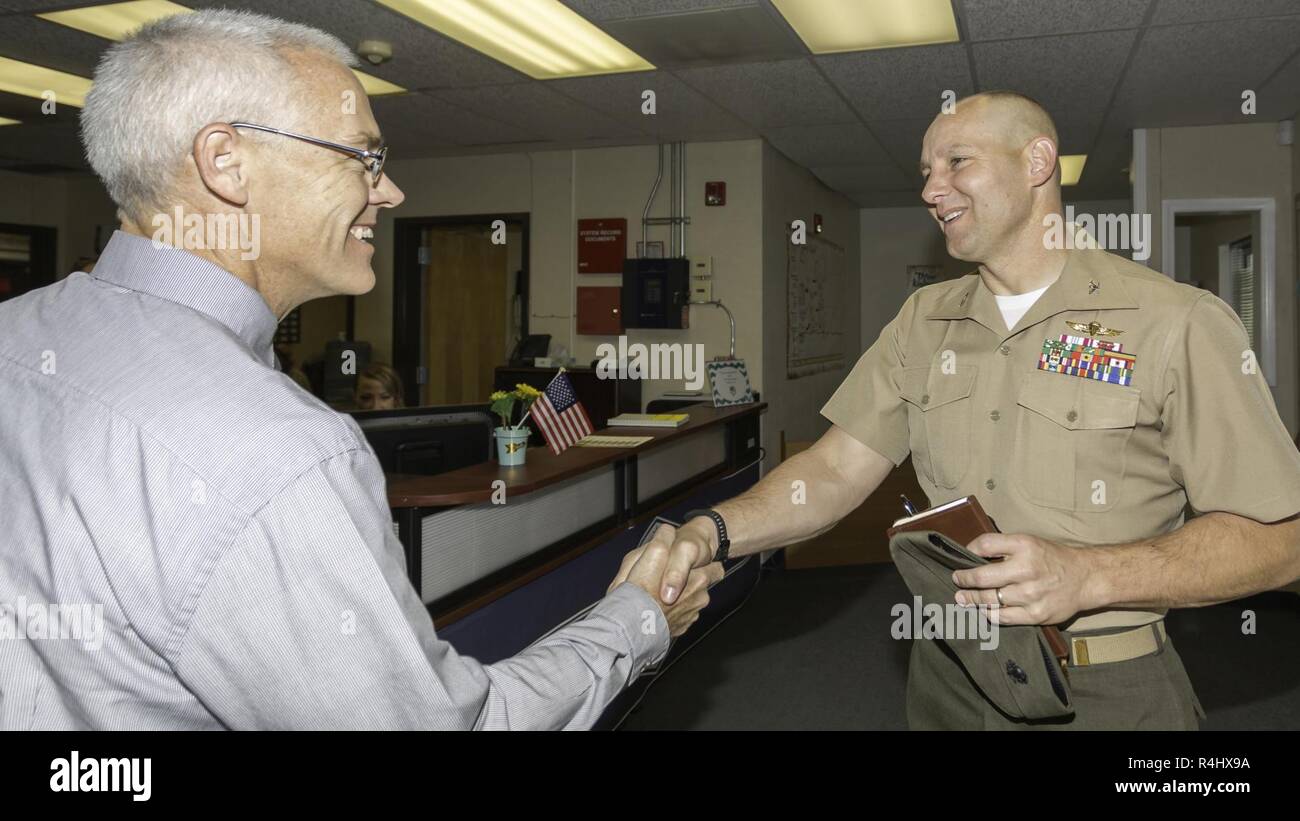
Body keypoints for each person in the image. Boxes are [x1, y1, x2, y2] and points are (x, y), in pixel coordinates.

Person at [0, 10, 719, 730]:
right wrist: (637, 619)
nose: (390, 190)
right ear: (226, 163)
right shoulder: (280, 454)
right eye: (363, 157)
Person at [635, 91, 1300, 730]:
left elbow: (1282, 540)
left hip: (1103, 690)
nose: (930, 188)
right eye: (926, 171)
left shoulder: (1175, 321)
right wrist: (710, 532)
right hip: (949, 673)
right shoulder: (923, 321)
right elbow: (834, 470)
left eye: (957, 161)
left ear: (1037, 163)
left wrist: (1088, 574)